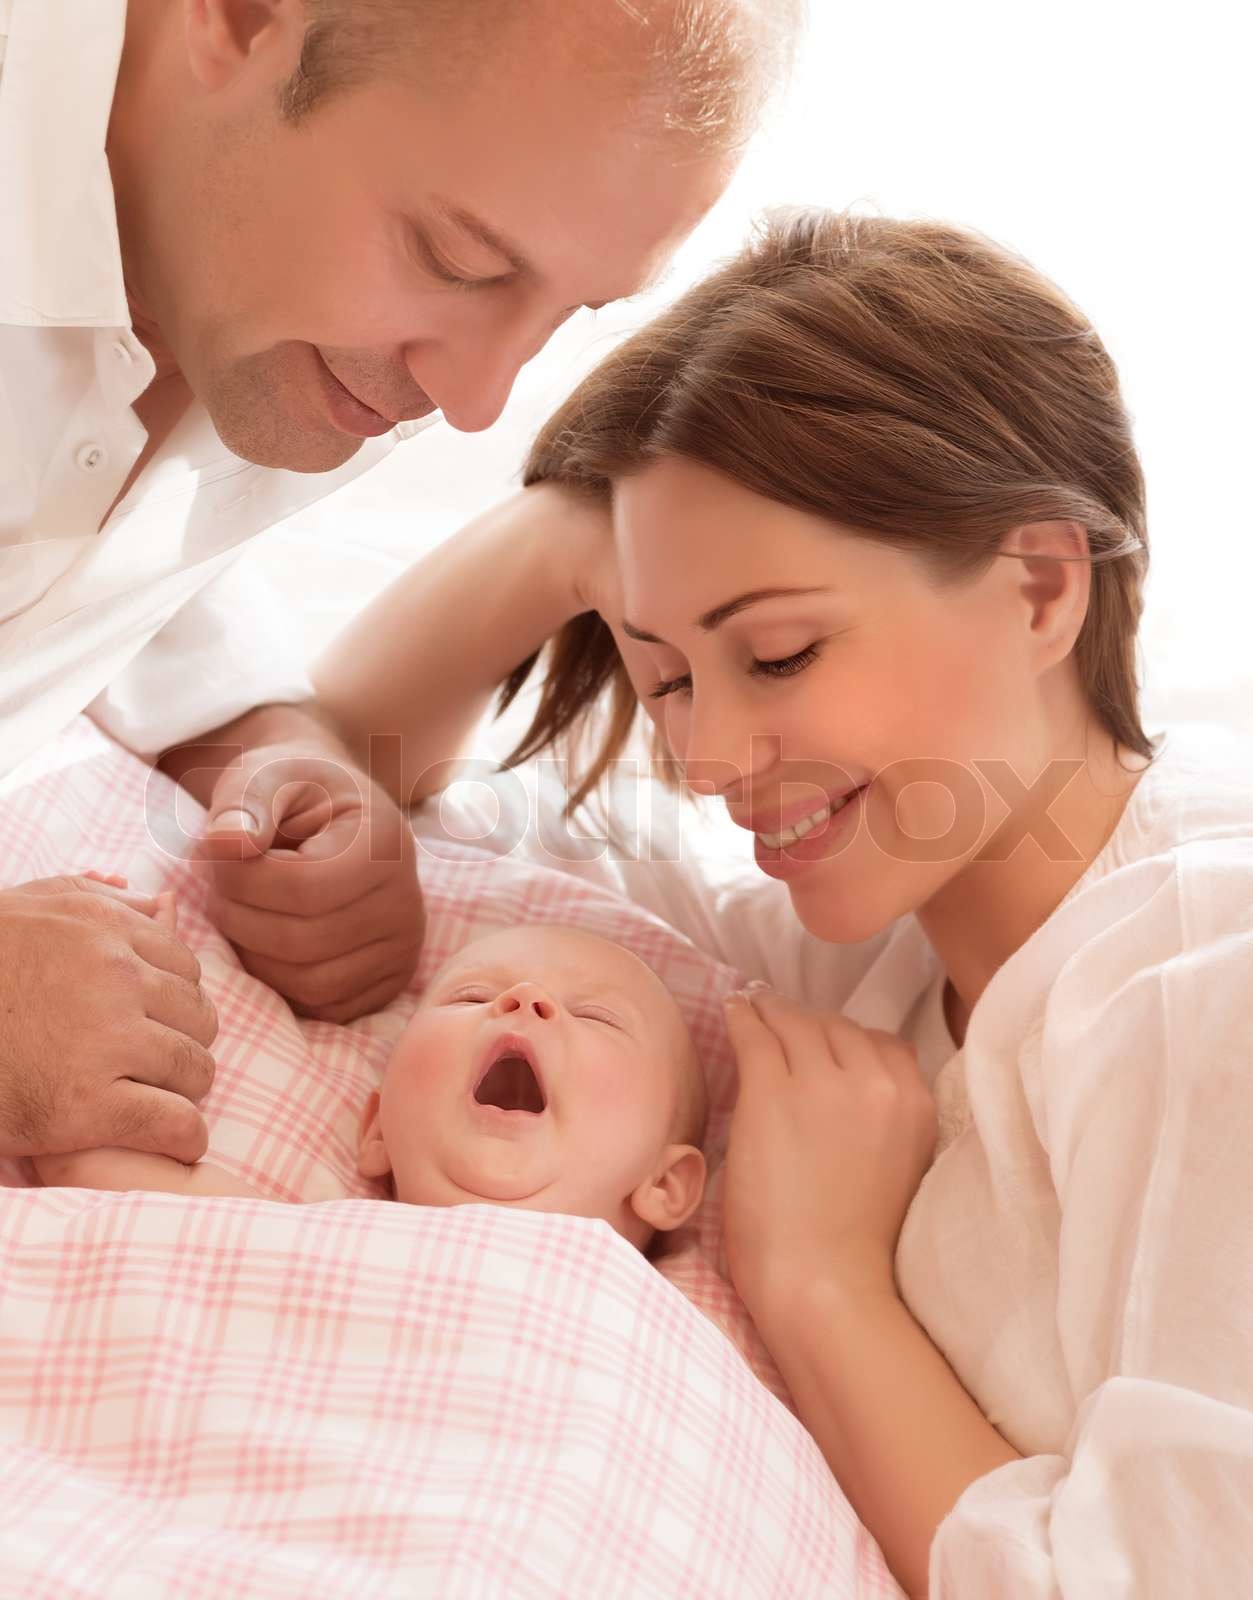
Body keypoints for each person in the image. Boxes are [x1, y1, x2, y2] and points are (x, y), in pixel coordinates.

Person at [314, 210, 1253, 1598]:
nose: (702, 764)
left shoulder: (1206, 980)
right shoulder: (855, 953)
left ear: (1040, 587)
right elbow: (372, 773)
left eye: (777, 653)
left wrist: (819, 1279)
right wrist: (573, 543)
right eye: (668, 679)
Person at [0, 0, 797, 1167]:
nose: (474, 398)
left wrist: (271, 746)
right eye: (456, 260)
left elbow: (83, 538)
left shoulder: (258, 306)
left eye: (565, 314)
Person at [32, 920, 709, 1257]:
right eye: (472, 996)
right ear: (378, 1131)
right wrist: (128, 957)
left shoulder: (663, 1332)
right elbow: (85, 1144)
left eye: (595, 1017)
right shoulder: (324, 1241)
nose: (525, 999)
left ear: (666, 1184)